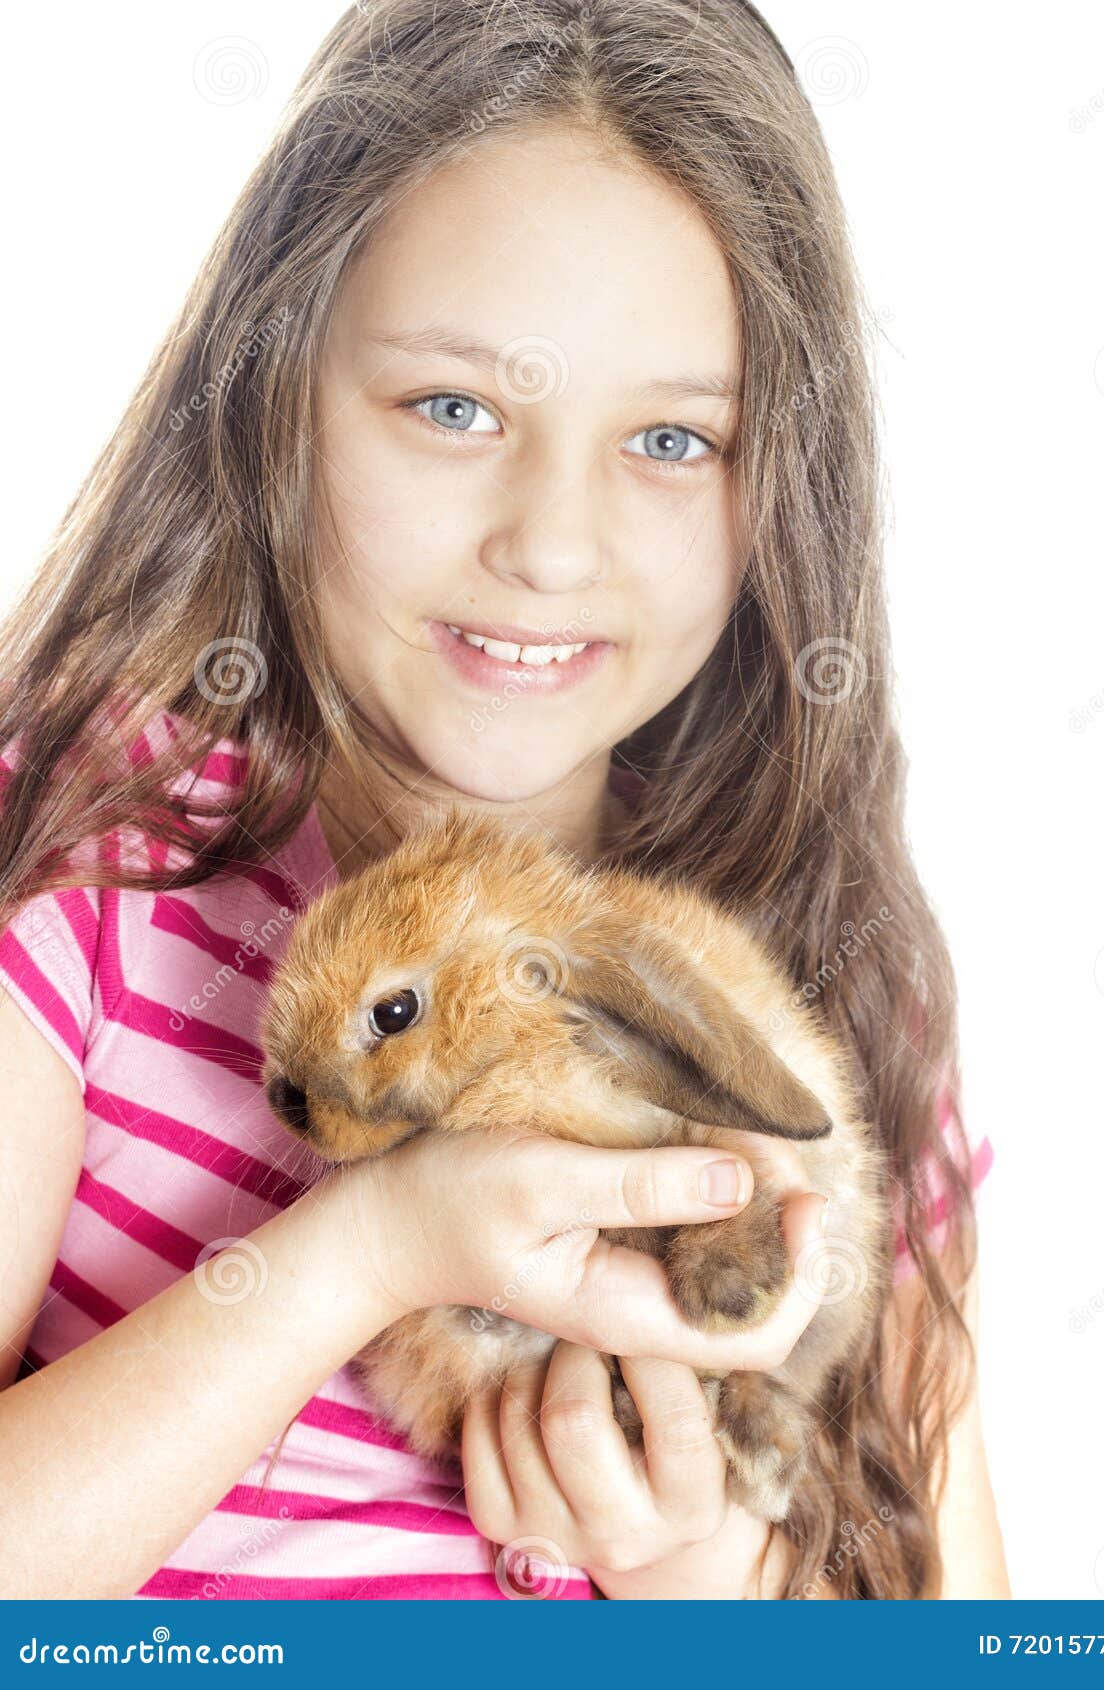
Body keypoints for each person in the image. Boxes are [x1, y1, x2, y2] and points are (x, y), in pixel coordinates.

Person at [0, 0, 1006, 1599]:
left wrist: (696, 1574)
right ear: (272, 384)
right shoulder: (81, 853)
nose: (550, 544)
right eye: (456, 409)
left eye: (671, 438)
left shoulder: (836, 978)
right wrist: (370, 1249)